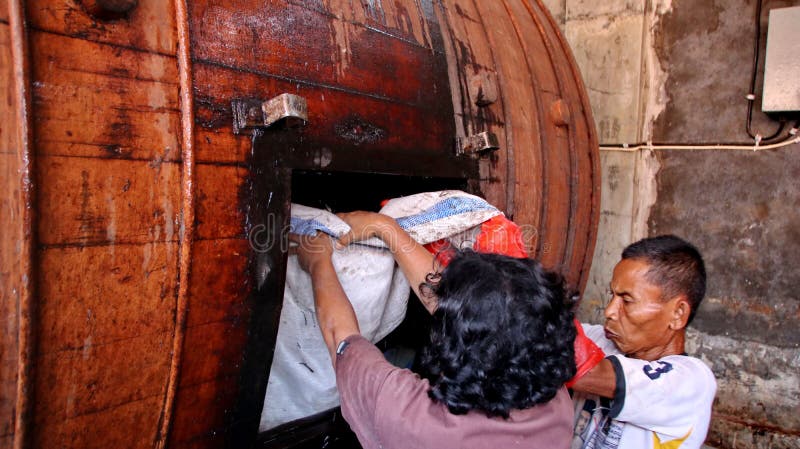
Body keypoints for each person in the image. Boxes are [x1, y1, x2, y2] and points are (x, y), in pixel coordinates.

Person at [289, 211, 577, 449]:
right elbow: (459, 310)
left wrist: (318, 261)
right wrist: (385, 228)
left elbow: (340, 337)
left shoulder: (412, 418)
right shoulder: (556, 402)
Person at [569, 235, 717, 449]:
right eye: (612, 296)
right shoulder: (602, 340)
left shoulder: (691, 382)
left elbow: (572, 365)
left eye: (627, 301)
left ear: (678, 313)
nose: (609, 311)